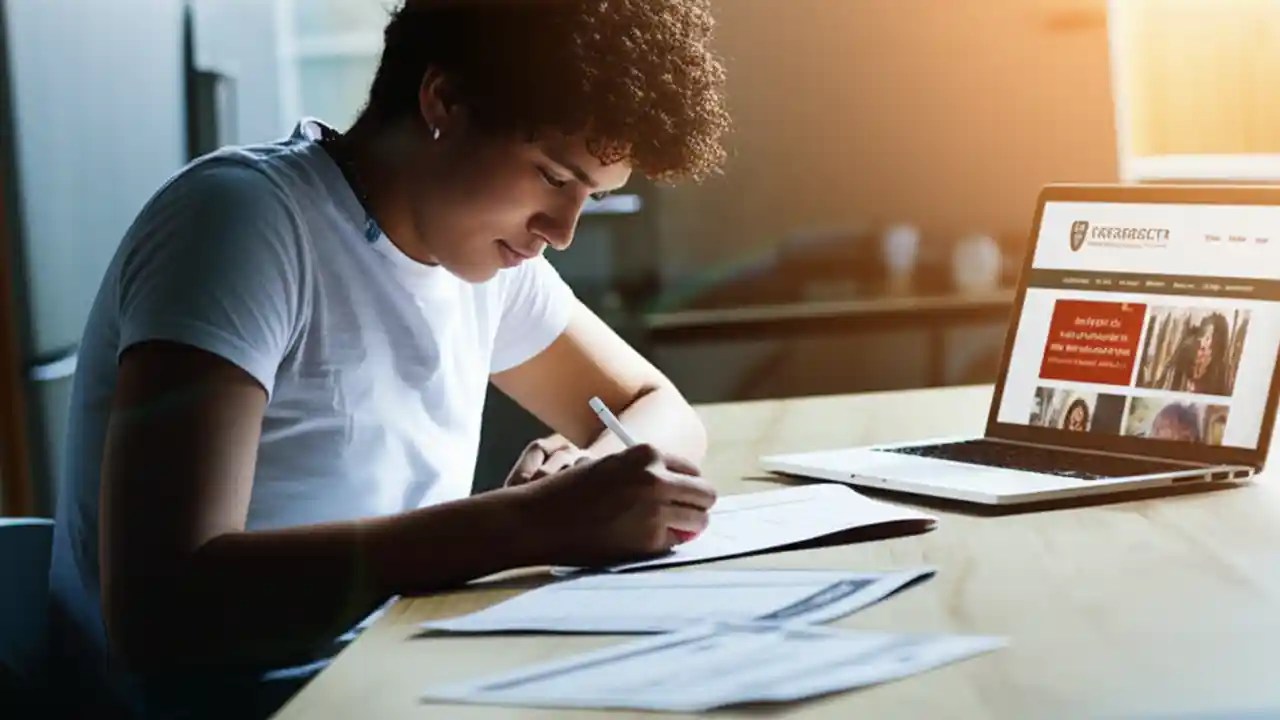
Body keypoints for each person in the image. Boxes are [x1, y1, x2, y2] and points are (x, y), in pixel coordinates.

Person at [47, 1, 730, 717]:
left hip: (392, 677)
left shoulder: (487, 265)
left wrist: (593, 479)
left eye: (592, 195)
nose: (562, 231)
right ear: (445, 100)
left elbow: (655, 406)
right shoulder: (242, 224)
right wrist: (528, 523)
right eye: (554, 177)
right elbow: (161, 613)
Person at [1159, 313, 1231, 396]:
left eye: (1208, 338)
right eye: (1201, 335)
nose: (1201, 343)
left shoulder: (1219, 384)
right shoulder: (1179, 368)